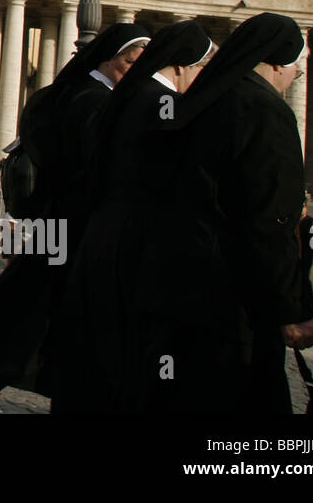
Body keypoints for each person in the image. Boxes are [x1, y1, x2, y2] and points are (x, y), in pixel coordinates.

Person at [119, 13, 313, 413]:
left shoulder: (199, 102)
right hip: (233, 303)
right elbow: (270, 221)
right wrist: (292, 309)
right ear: (279, 61)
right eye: (300, 62)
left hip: (175, 293)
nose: (298, 74)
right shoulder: (266, 111)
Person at [0, 22, 150, 414]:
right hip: (73, 227)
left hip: (54, 223)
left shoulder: (67, 93)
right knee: (50, 318)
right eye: (130, 64)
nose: (134, 73)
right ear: (110, 60)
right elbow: (86, 170)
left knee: (43, 317)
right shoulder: (94, 101)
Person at [51, 21, 215, 413]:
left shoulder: (126, 97)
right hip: (134, 248)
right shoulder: (161, 105)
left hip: (101, 239)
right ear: (185, 65)